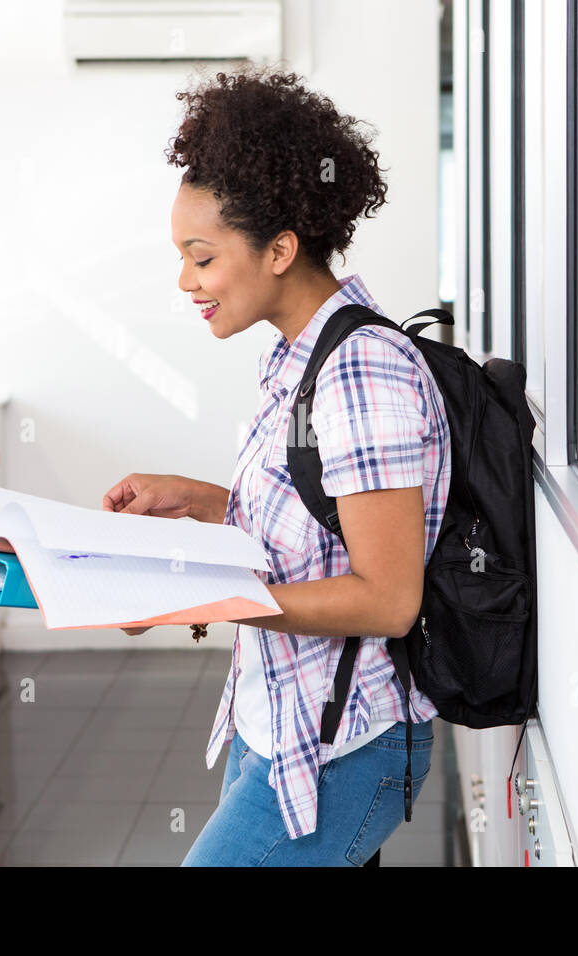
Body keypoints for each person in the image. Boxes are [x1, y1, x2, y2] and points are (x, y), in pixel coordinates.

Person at [102, 66, 451, 865]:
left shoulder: (361, 371)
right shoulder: (299, 355)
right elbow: (322, 525)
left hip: (343, 746)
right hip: (279, 720)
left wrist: (210, 596)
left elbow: (389, 597)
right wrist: (199, 500)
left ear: (281, 249)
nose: (185, 281)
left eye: (201, 257)